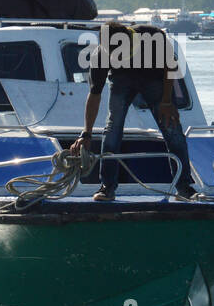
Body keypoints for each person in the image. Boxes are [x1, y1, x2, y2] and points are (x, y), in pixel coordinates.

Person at [69, 23, 199, 202]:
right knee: (113, 127)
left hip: (154, 79)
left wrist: (167, 101)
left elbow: (171, 66)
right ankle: (107, 186)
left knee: (172, 128)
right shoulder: (100, 56)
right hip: (122, 80)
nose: (119, 57)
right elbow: (94, 95)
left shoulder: (152, 37)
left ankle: (184, 187)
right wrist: (86, 133)